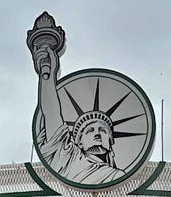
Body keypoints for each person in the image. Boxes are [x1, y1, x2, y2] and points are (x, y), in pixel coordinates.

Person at [33, 47, 125, 184]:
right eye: (89, 130)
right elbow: (51, 111)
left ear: (111, 140)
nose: (97, 134)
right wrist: (47, 76)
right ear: (79, 141)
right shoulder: (69, 159)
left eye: (103, 130)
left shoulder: (118, 176)